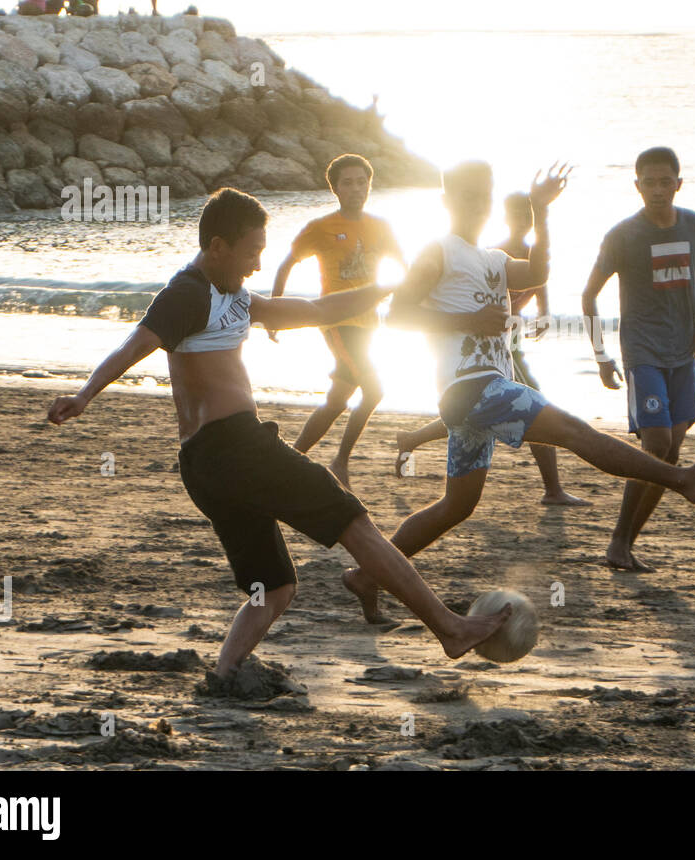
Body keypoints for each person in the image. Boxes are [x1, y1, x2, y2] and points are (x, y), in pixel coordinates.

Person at [45, 188, 511, 679]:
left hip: (205, 465)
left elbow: (316, 311)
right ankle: (450, 629)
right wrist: (85, 395)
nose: (257, 264)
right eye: (251, 252)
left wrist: (389, 288)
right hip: (236, 448)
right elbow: (134, 343)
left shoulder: (234, 296)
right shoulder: (185, 294)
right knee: (353, 521)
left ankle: (224, 674)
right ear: (218, 246)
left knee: (274, 586)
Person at [341, 161, 695, 624]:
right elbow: (398, 315)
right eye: (468, 197)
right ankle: (683, 479)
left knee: (457, 505)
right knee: (570, 429)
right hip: (472, 387)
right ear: (447, 202)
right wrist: (467, 322)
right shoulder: (437, 253)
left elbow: (539, 272)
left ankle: (366, 576)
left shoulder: (491, 258)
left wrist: (541, 212)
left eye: (484, 197)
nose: (478, 206)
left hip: (478, 393)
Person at [395, 191, 589, 506]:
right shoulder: (493, 253)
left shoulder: (529, 251)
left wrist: (543, 314)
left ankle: (412, 438)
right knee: (528, 402)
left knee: (476, 413)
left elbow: (539, 281)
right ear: (507, 217)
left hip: (506, 342)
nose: (522, 223)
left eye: (528, 217)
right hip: (482, 344)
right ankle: (553, 489)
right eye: (517, 216)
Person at [581, 146, 695, 572]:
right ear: (636, 185)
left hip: (682, 352)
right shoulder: (623, 236)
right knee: (655, 444)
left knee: (671, 449)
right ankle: (619, 540)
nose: (657, 190)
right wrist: (601, 355)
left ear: (679, 182)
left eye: (665, 182)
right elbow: (588, 295)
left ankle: (623, 545)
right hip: (642, 354)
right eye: (649, 182)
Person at [269, 155, 404, 488]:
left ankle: (290, 460)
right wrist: (273, 313)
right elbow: (286, 265)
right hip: (337, 323)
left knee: (337, 400)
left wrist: (405, 302)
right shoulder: (320, 228)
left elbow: (405, 269)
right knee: (374, 390)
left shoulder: (382, 228)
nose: (356, 188)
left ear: (369, 185)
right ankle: (339, 462)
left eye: (362, 181)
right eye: (348, 182)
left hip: (369, 324)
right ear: (335, 188)